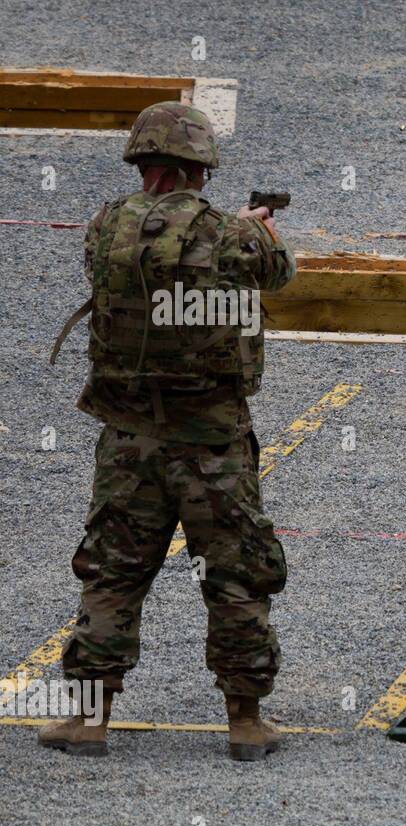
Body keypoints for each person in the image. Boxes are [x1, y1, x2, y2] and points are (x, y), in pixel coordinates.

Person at [41, 101, 295, 760]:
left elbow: (141, 274)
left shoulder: (104, 227)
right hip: (211, 441)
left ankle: (90, 721)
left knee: (113, 572)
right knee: (234, 574)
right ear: (199, 166)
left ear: (141, 162)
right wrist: (252, 229)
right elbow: (280, 274)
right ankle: (244, 721)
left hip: (128, 439)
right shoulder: (234, 237)